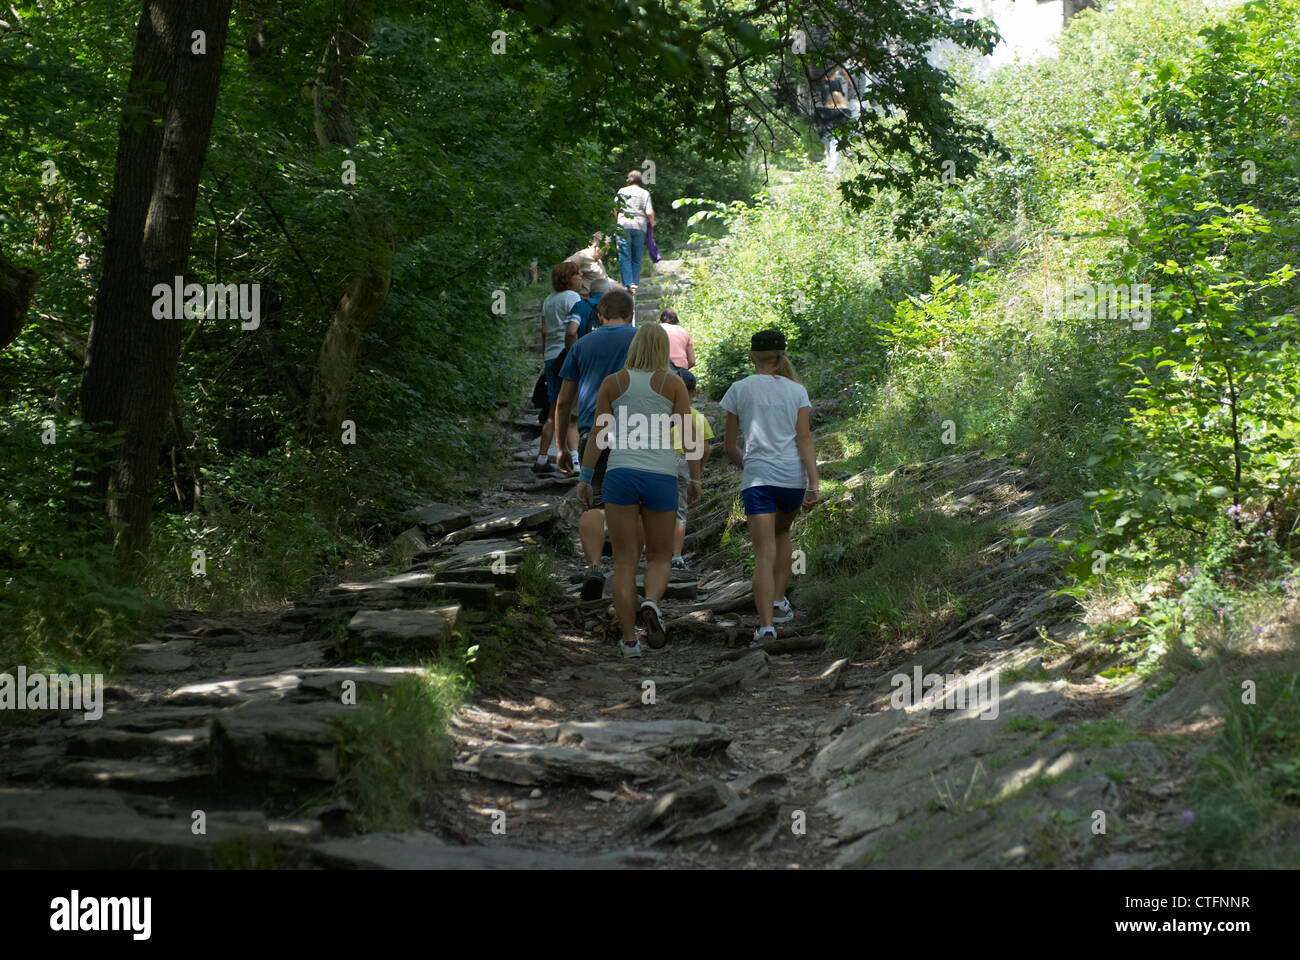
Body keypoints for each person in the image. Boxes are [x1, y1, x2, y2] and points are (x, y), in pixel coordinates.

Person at [579, 323, 702, 657]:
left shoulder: (613, 383)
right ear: (663, 350)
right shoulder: (673, 384)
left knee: (624, 562)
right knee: (661, 556)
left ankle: (630, 641)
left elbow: (597, 436)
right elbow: (688, 434)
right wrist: (695, 479)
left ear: (634, 348)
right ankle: (650, 602)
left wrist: (585, 478)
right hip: (660, 476)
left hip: (620, 474)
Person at [720, 328, 820, 647]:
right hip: (792, 480)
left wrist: (748, 466)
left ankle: (765, 628)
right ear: (782, 356)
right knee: (783, 534)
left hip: (759, 480)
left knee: (763, 554)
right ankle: (779, 602)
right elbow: (804, 438)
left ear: (751, 356)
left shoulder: (739, 389)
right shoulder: (797, 391)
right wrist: (813, 482)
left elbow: (729, 446)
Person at [555, 288, 638, 600]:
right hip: (638, 431)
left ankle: (593, 566)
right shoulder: (645, 340)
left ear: (599, 316)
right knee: (634, 503)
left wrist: (563, 446)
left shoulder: (583, 344)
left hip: (595, 432)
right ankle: (625, 572)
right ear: (631, 314)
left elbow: (564, 401)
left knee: (593, 501)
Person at [536, 262, 584, 473]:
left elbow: (544, 331)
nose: (581, 277)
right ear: (569, 278)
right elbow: (573, 331)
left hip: (550, 358)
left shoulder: (548, 300)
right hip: (566, 356)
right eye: (577, 274)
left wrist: (546, 355)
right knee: (571, 413)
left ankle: (542, 458)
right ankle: (574, 461)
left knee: (552, 410)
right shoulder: (572, 298)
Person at [669, 369, 712, 571]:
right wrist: (699, 472)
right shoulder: (697, 417)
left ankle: (647, 550)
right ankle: (676, 557)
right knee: (680, 512)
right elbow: (704, 448)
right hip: (685, 462)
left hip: (662, 460)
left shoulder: (663, 413)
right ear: (694, 393)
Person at [613, 171, 655, 296]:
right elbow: (649, 212)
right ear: (640, 181)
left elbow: (614, 208)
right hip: (639, 226)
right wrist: (652, 222)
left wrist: (619, 219)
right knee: (637, 257)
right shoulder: (645, 193)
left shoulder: (622, 191)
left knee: (625, 255)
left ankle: (628, 284)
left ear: (629, 180)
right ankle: (635, 285)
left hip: (623, 225)